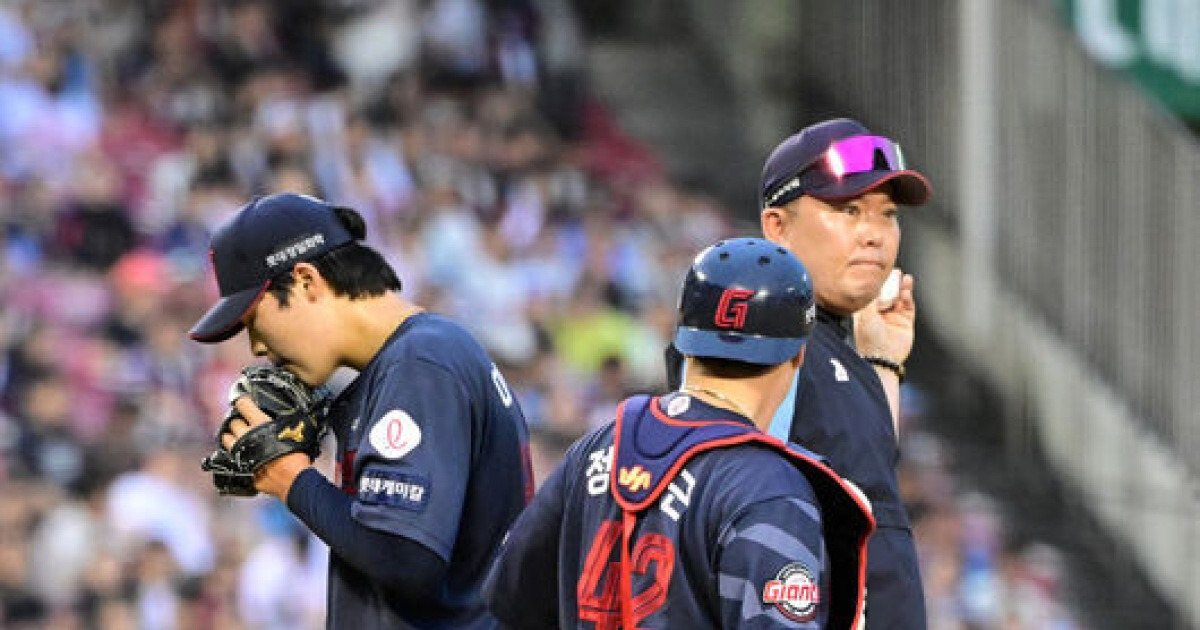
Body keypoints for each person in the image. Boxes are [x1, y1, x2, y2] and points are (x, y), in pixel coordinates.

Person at [485, 237, 875, 629]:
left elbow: (509, 597)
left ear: (685, 342)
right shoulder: (768, 487)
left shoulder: (596, 448)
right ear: (797, 354)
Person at [188, 192, 533, 629]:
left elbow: (407, 557)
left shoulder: (421, 363)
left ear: (307, 281)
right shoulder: (419, 357)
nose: (257, 346)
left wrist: (291, 480)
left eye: (255, 319)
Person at [668, 118, 934, 628]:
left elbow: (864, 486)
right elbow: (726, 506)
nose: (874, 235)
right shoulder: (755, 336)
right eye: (848, 210)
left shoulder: (832, 340)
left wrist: (882, 363)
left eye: (888, 214)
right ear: (777, 227)